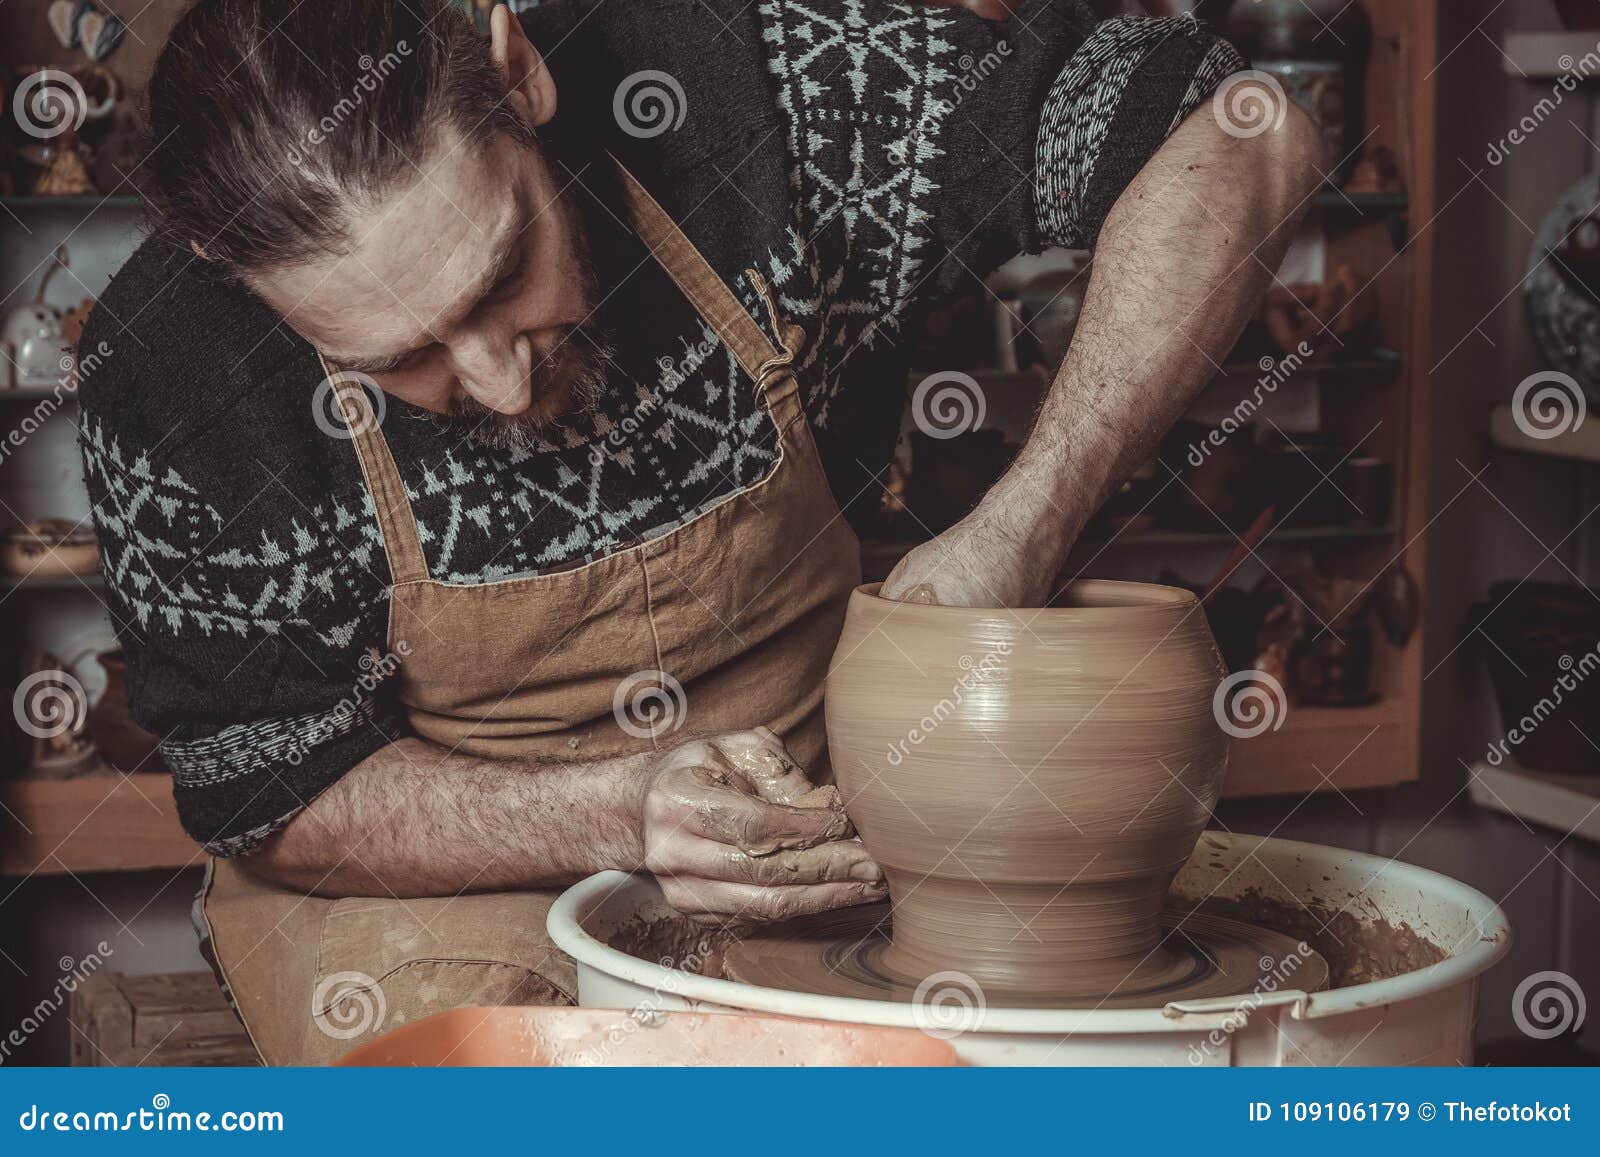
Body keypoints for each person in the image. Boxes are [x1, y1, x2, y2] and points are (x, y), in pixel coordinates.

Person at [77, 0, 1319, 1062]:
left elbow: (1245, 131)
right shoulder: (171, 365)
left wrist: (1024, 522)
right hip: (430, 886)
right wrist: (619, 812)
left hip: (813, 827)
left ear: (518, 75)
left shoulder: (744, 87)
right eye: (400, 358)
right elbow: (272, 792)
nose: (502, 383)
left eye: (505, 270)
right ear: (231, 277)